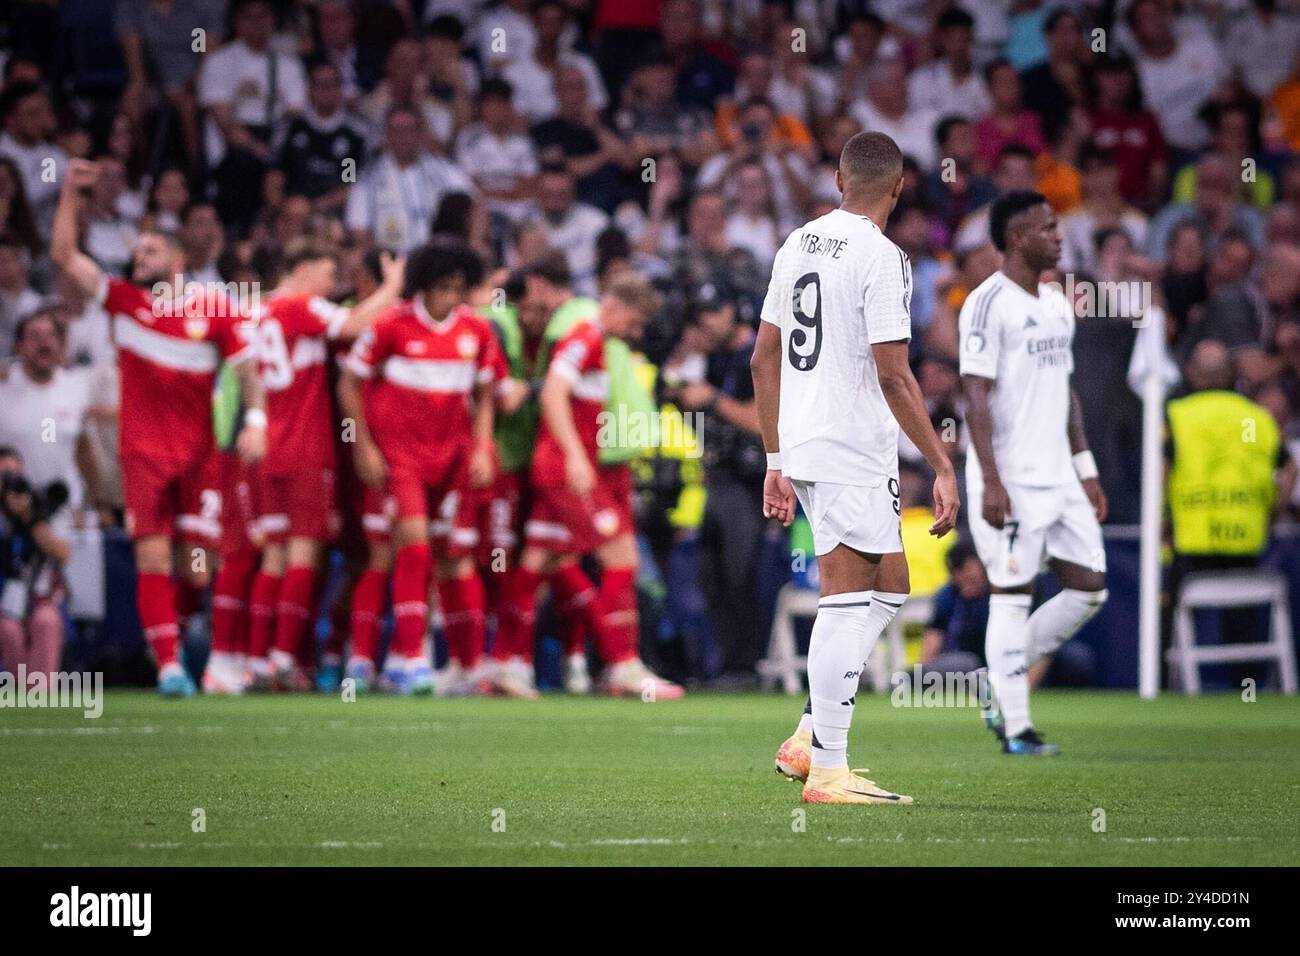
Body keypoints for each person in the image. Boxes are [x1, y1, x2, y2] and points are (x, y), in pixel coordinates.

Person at [754, 131, 960, 804]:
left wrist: (775, 459)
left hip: (809, 443)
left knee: (889, 584)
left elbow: (764, 358)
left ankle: (812, 732)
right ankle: (831, 771)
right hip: (850, 446)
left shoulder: (798, 242)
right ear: (899, 189)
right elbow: (896, 376)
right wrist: (941, 461)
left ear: (840, 181)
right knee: (844, 604)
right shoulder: (883, 257)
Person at [51, 158, 268, 697]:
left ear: (175, 258)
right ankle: (170, 665)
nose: (137, 257)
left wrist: (258, 420)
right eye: (136, 251)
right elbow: (63, 255)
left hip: (200, 456)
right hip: (143, 454)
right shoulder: (124, 304)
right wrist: (70, 196)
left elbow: (246, 371)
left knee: (198, 568)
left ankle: (177, 634)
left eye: (149, 250)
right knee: (151, 555)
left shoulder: (214, 308)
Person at [206, 240, 404, 694]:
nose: (332, 283)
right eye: (327, 271)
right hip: (304, 448)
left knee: (273, 556)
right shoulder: (300, 307)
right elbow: (355, 322)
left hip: (262, 445)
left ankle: (256, 662)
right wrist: (393, 285)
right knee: (303, 556)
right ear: (303, 268)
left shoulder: (254, 312)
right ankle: (280, 659)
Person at [489, 261, 685, 699]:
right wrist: (577, 456)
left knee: (539, 562)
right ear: (613, 306)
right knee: (622, 557)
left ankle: (506, 663)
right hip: (565, 472)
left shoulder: (595, 339)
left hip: (559, 468)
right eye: (633, 322)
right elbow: (554, 393)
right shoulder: (586, 336)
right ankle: (624, 666)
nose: (635, 332)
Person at [959, 190, 1110, 756]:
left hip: (1060, 477)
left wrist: (1085, 468)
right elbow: (974, 394)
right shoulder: (986, 303)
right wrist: (992, 481)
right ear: (1017, 237)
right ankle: (1017, 728)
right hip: (1013, 477)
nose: (1059, 235)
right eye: (1048, 228)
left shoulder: (1055, 303)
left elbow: (1064, 390)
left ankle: (1000, 678)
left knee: (1089, 588)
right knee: (1013, 591)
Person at [338, 240, 499, 695]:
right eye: (444, 288)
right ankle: (409, 658)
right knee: (411, 550)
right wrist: (362, 446)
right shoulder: (391, 325)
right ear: (423, 287)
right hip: (399, 457)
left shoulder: (477, 331)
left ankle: (469, 665)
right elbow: (349, 383)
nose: (452, 297)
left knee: (454, 558)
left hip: (453, 458)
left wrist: (484, 447)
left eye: (459, 288)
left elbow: (486, 393)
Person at [1164, 340, 1296, 670]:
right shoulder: (1258, 418)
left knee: (1163, 611)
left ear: (1193, 374)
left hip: (1192, 546)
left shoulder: (1179, 416)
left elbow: (1160, 472)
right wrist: (1272, 513)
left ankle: (1161, 681)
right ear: (1230, 374)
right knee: (1244, 624)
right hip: (1246, 545)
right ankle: (1246, 690)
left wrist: (1161, 520)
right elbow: (1291, 468)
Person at [0, 446, 72, 686]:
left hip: (40, 599)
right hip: (5, 602)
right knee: (7, 629)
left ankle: (40, 693)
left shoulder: (41, 508)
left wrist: (31, 518)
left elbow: (62, 553)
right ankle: (21, 694)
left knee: (46, 621)